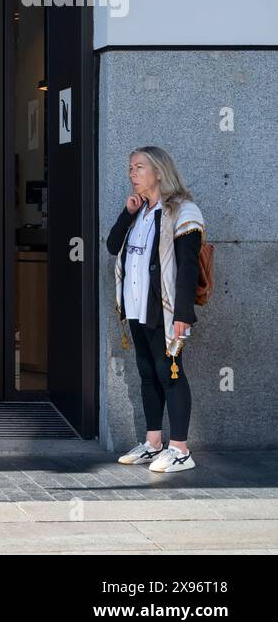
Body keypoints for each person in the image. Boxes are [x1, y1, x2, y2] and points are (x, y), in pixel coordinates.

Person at [107, 146, 204, 473]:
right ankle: (153, 443)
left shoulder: (182, 212)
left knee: (170, 373)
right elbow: (111, 246)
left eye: (139, 167)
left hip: (165, 310)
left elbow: (188, 267)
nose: (132, 174)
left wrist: (182, 314)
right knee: (148, 373)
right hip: (136, 307)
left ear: (159, 172)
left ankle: (180, 449)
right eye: (130, 168)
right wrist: (127, 213)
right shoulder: (141, 211)